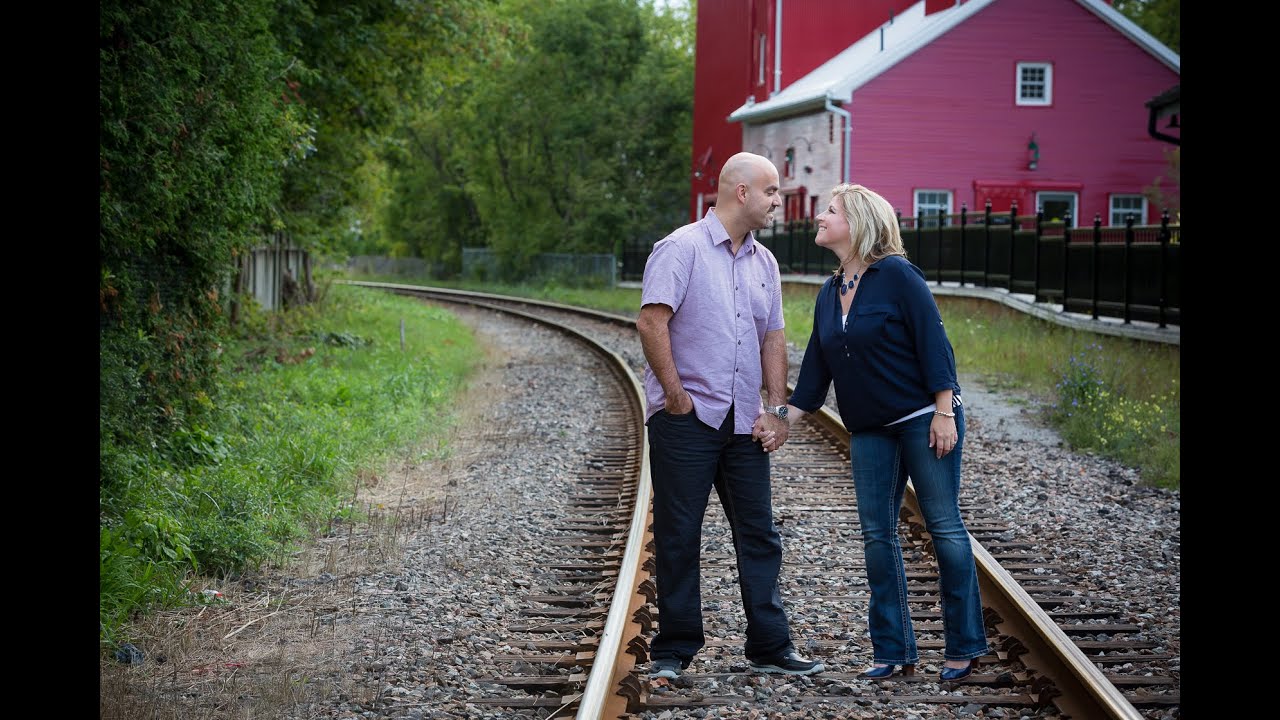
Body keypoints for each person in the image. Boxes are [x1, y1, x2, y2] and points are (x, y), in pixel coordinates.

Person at [780, 183, 991, 681]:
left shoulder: (897, 275)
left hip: (924, 418)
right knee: (878, 536)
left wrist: (944, 411)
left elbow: (935, 344)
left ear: (858, 223)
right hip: (871, 430)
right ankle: (893, 650)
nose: (819, 218)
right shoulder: (830, 294)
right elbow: (814, 376)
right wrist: (777, 420)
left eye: (830, 211)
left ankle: (964, 644)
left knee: (943, 528)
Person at [636, 152, 823, 680]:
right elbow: (652, 324)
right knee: (678, 534)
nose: (778, 203)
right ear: (742, 192)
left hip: (745, 424)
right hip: (687, 421)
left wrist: (777, 408)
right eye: (772, 192)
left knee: (759, 533)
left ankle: (769, 645)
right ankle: (674, 649)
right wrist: (675, 398)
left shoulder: (765, 262)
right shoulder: (681, 249)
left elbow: (773, 336)